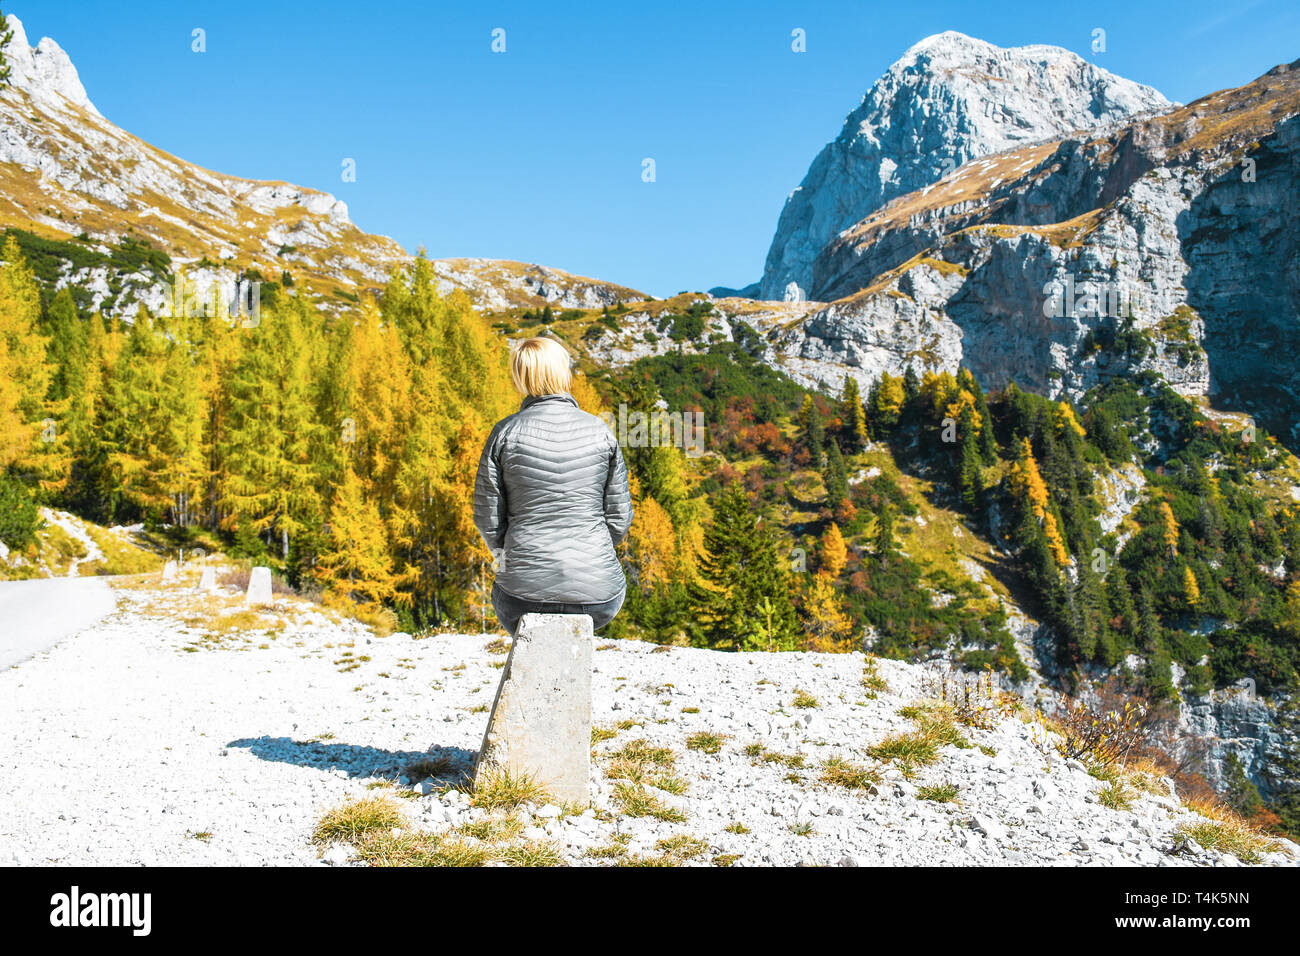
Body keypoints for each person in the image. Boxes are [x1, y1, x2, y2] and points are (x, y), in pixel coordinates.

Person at [473, 336, 632, 636]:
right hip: (599, 597)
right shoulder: (601, 431)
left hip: (520, 597)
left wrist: (516, 554)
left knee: (508, 595)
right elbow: (619, 519)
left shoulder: (504, 433)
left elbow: (487, 520)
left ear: (521, 377)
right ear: (563, 372)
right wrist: (592, 551)